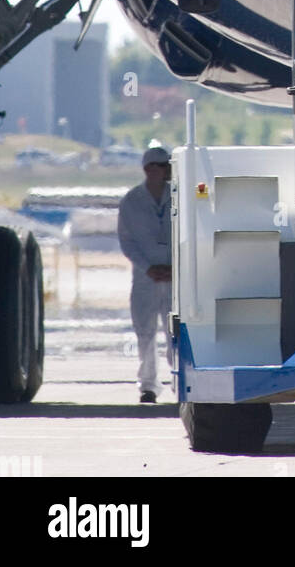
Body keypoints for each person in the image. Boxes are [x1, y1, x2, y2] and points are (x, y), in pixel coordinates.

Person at [118, 145, 173, 404]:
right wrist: (148, 267)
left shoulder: (180, 197)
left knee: (177, 333)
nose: (162, 171)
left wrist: (175, 267)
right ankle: (148, 386)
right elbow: (127, 242)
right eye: (158, 165)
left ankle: (180, 381)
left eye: (165, 166)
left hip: (175, 278)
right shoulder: (131, 201)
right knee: (145, 332)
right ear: (148, 168)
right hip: (145, 277)